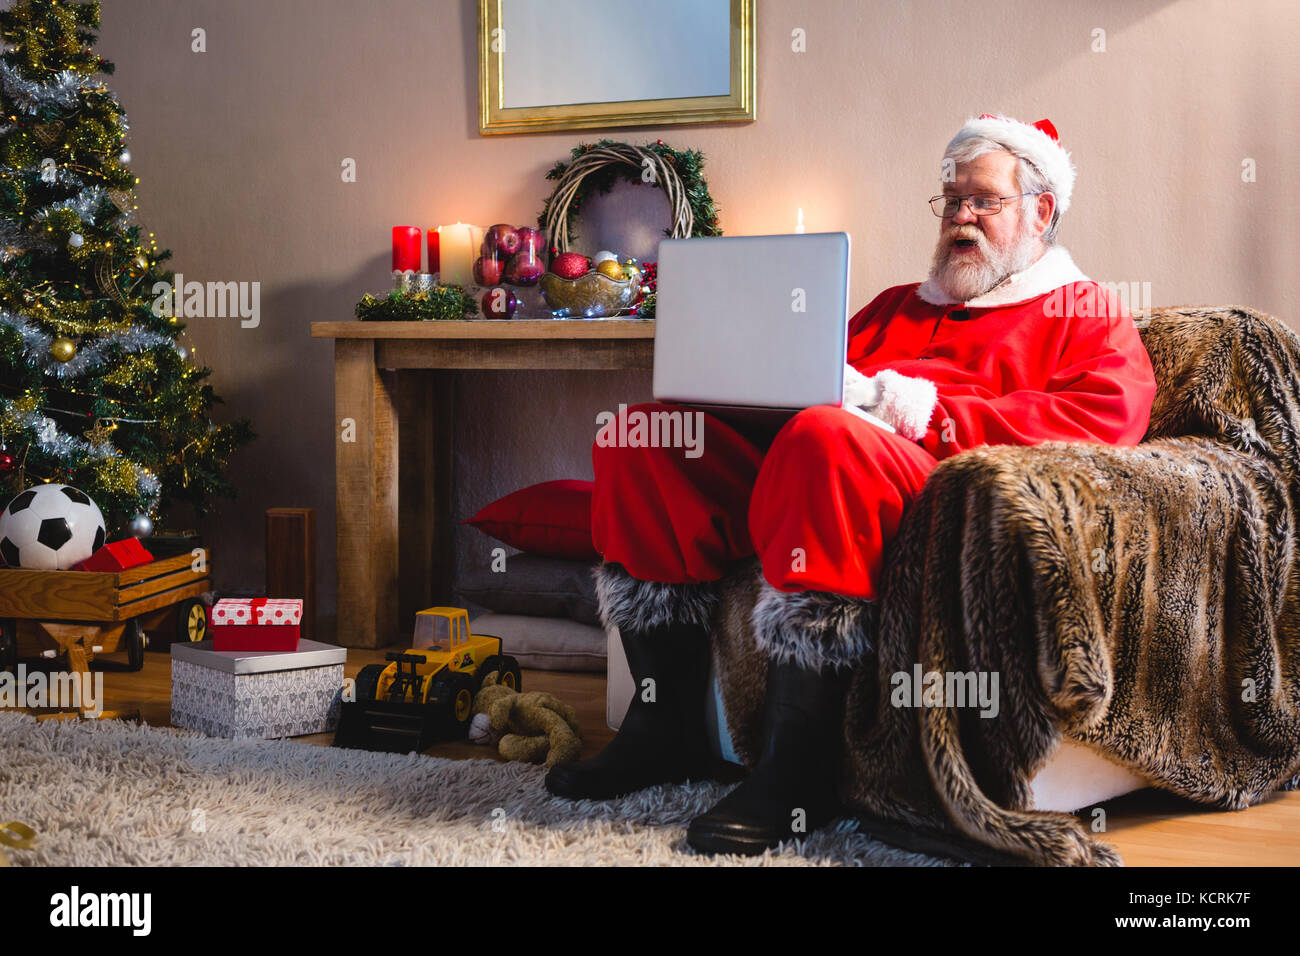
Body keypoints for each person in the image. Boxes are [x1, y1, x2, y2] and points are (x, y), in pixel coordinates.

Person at [544, 114, 1159, 856]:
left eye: (983, 201)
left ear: (1041, 211)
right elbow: (810, 376)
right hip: (813, 466)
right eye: (951, 200)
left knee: (823, 437)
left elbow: (1103, 421)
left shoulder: (1085, 311)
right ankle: (660, 725)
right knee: (644, 437)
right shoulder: (898, 304)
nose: (961, 216)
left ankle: (795, 773)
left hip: (934, 487)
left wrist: (920, 411)